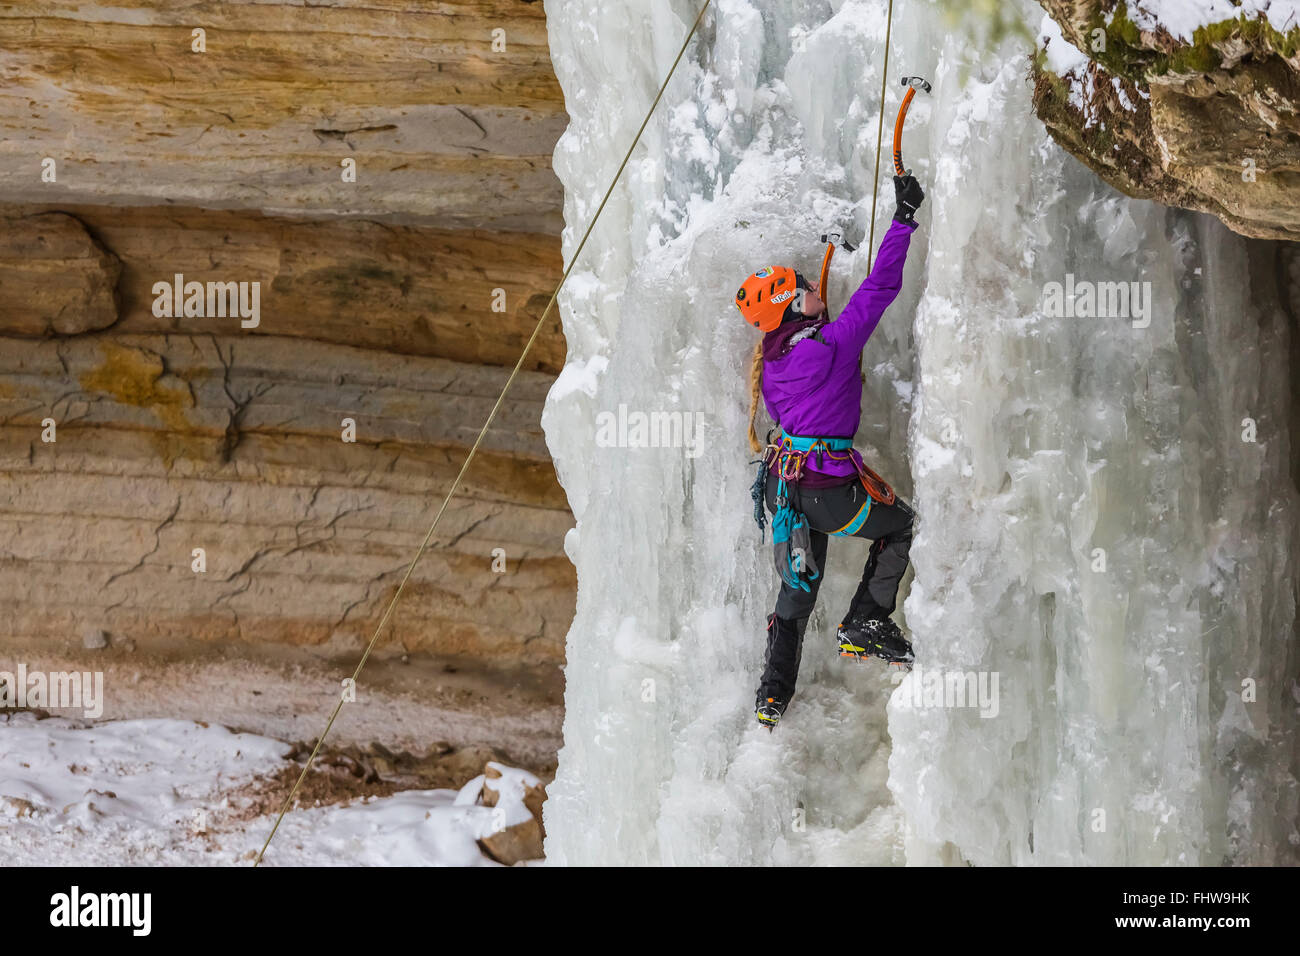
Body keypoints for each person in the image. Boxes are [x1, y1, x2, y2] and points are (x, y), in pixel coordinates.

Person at [733, 174, 925, 730]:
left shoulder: (772, 363)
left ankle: (772, 698)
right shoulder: (832, 347)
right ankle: (865, 621)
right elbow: (879, 289)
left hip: (785, 489)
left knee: (797, 593)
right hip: (825, 492)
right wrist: (903, 219)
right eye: (806, 288)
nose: (818, 291)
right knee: (899, 528)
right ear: (795, 305)